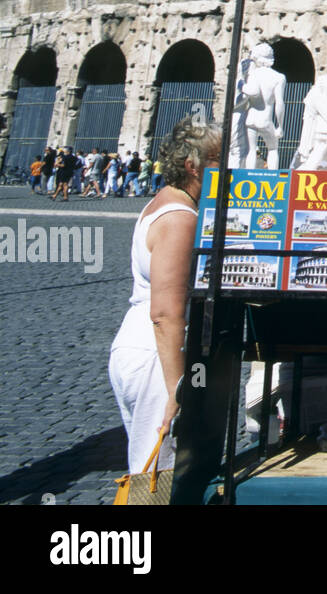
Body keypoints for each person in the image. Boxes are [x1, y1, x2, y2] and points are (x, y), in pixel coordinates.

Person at [108, 116, 224, 476]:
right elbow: (167, 313)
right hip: (157, 359)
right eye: (220, 160)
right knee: (160, 474)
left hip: (140, 347)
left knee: (154, 468)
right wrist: (177, 390)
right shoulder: (179, 219)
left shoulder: (162, 202)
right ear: (193, 165)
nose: (227, 168)